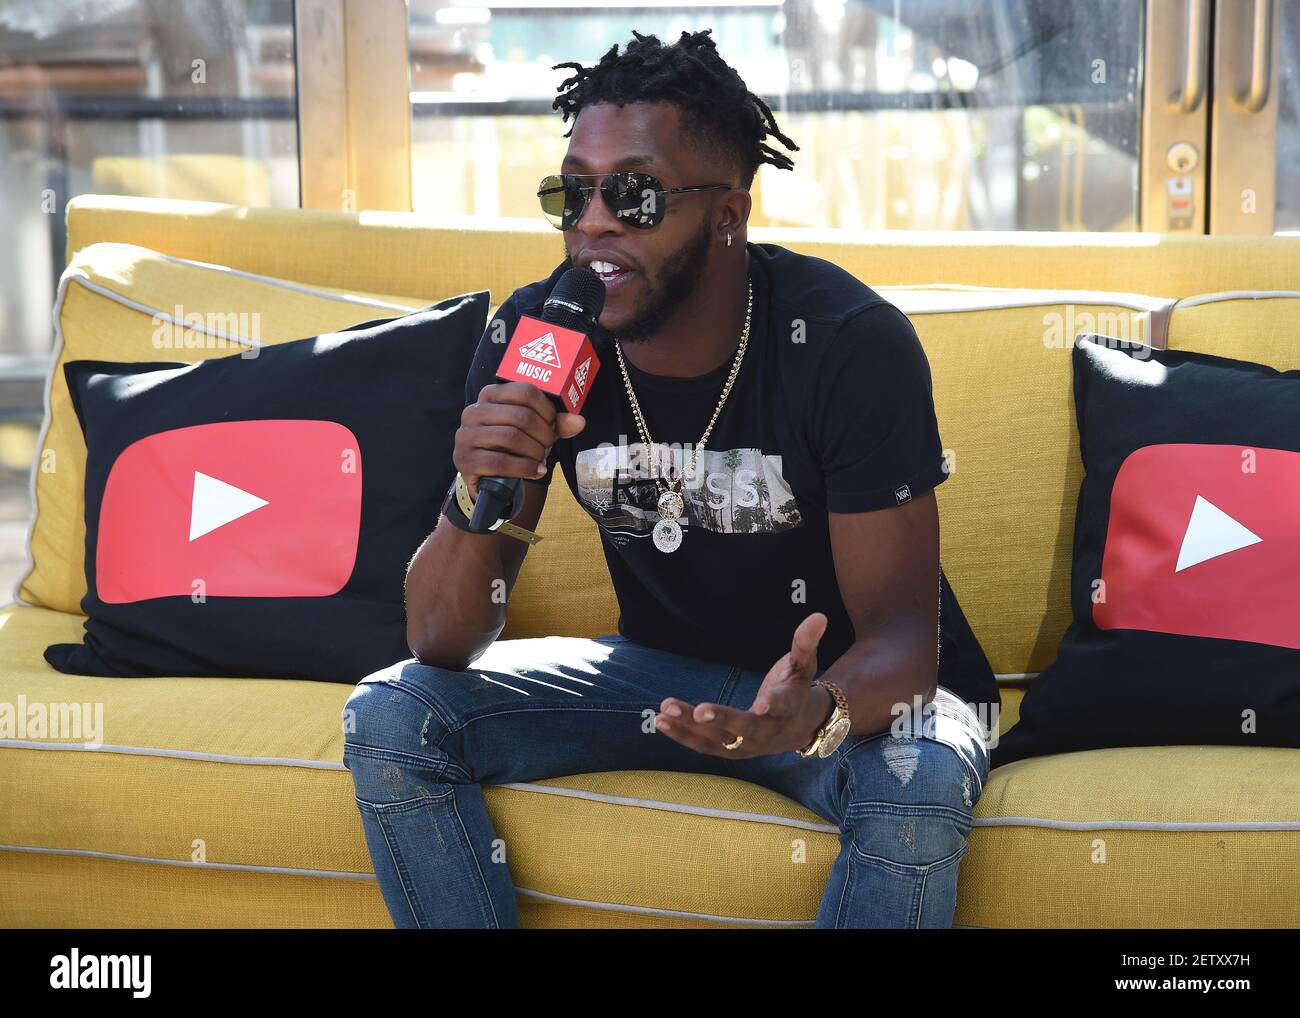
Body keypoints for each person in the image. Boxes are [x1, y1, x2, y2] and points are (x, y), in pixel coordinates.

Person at [342, 28, 999, 929]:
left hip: (851, 699)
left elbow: (905, 645)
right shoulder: (542, 337)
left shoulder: (844, 343)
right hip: (656, 679)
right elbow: (445, 642)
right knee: (392, 714)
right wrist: (478, 485)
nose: (595, 221)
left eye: (636, 193)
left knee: (919, 778)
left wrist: (811, 712)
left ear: (728, 215)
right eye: (573, 194)